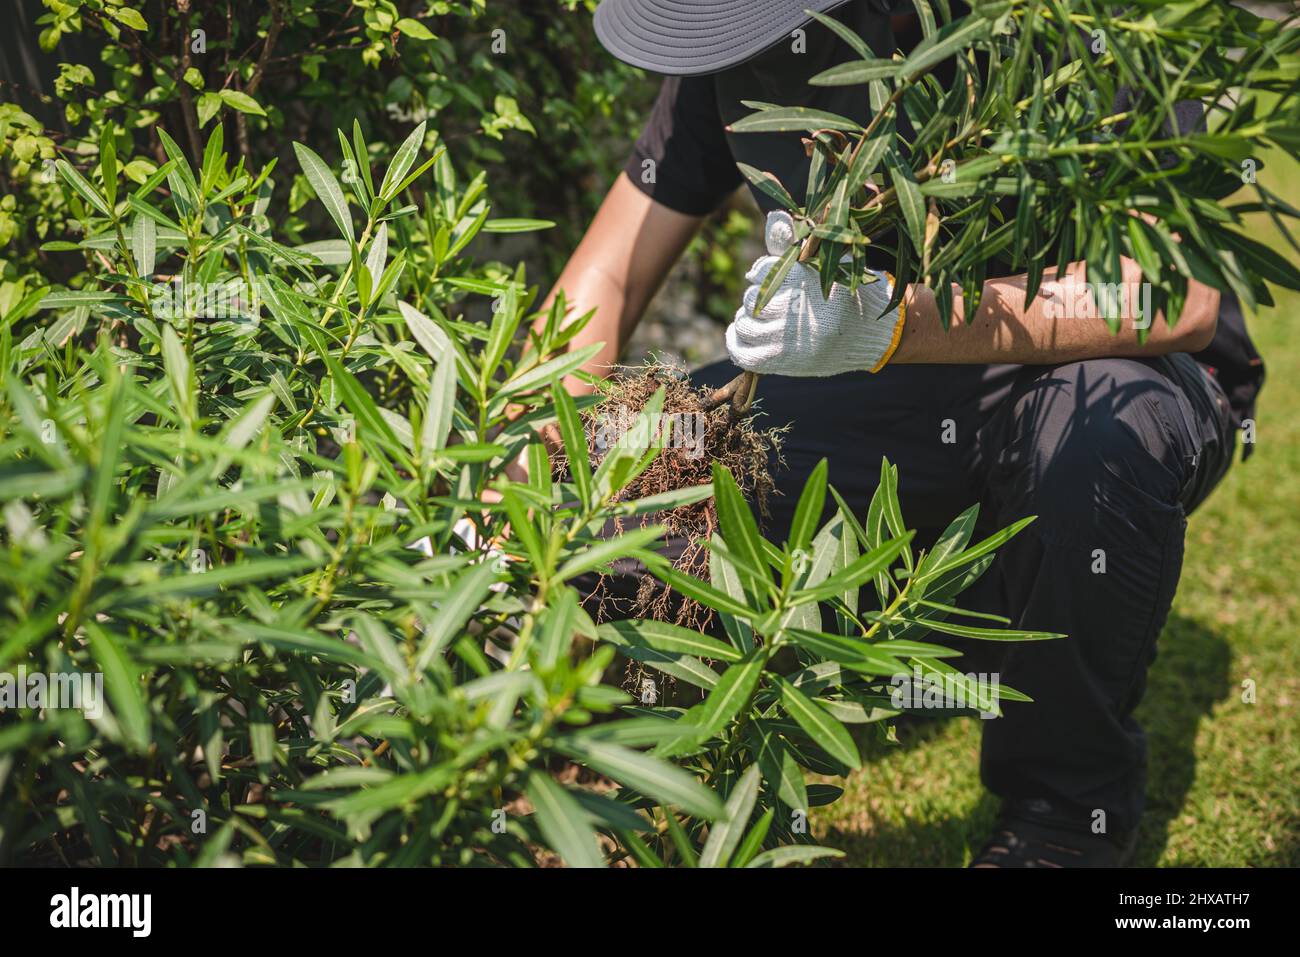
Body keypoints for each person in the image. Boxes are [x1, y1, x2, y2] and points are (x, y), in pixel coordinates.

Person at [544, 0, 1264, 866]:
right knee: (645, 470)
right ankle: (677, 735)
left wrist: (890, 324)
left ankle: (1064, 813)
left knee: (1092, 454)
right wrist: (522, 445)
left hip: (1107, 372)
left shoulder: (1063, 27)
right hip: (896, 382)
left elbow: (1173, 293)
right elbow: (610, 270)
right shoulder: (728, 50)